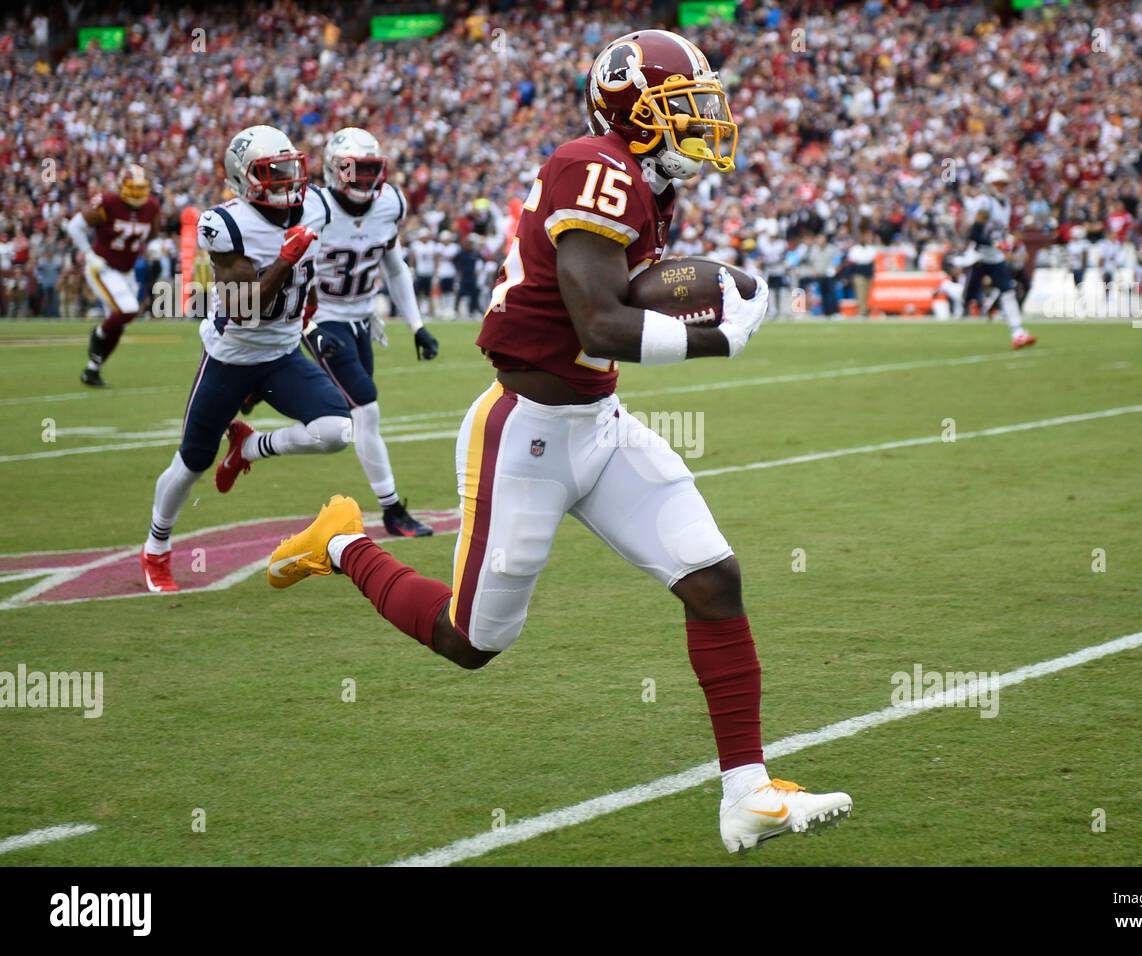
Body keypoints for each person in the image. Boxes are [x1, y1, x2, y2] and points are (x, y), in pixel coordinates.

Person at [269, 29, 851, 854]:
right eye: (682, 106)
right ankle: (343, 545)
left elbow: (627, 297)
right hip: (526, 434)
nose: (702, 121)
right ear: (632, 112)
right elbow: (600, 324)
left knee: (713, 578)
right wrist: (717, 335)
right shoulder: (592, 165)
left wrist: (708, 285)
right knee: (472, 642)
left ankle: (748, 794)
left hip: (600, 425)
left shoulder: (646, 183)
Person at [140, 126, 353, 593]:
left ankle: (249, 448)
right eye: (272, 172)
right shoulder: (225, 224)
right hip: (232, 357)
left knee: (337, 430)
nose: (286, 179)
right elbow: (242, 306)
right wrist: (285, 259)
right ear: (244, 179)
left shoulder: (316, 205)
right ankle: (156, 549)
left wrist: (310, 311)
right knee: (192, 462)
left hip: (282, 354)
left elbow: (312, 273)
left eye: (289, 168)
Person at [304, 127, 441, 537]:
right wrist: (307, 325)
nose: (363, 179)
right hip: (323, 318)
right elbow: (291, 272)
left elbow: (395, 268)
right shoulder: (315, 207)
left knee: (346, 421)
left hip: (362, 319)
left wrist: (417, 326)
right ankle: (392, 509)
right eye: (353, 170)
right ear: (334, 170)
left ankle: (255, 444)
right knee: (366, 408)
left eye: (369, 169)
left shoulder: (390, 204)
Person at [63, 165, 161, 385]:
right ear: (122, 186)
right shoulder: (108, 202)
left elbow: (152, 235)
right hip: (103, 267)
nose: (137, 193)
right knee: (128, 310)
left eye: (140, 188)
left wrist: (154, 246)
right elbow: (75, 226)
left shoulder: (151, 206)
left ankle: (92, 370)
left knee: (119, 324)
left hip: (127, 271)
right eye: (132, 188)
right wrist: (88, 254)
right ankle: (97, 334)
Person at [964, 168, 1035, 348]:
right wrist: (995, 243)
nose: (1001, 188)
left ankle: (1018, 332)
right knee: (967, 297)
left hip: (995, 258)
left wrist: (1009, 243)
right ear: (990, 185)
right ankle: (944, 290)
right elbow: (974, 234)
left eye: (1004, 184)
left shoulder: (1006, 204)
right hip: (979, 256)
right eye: (998, 184)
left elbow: (1001, 232)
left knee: (1008, 291)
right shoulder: (986, 203)